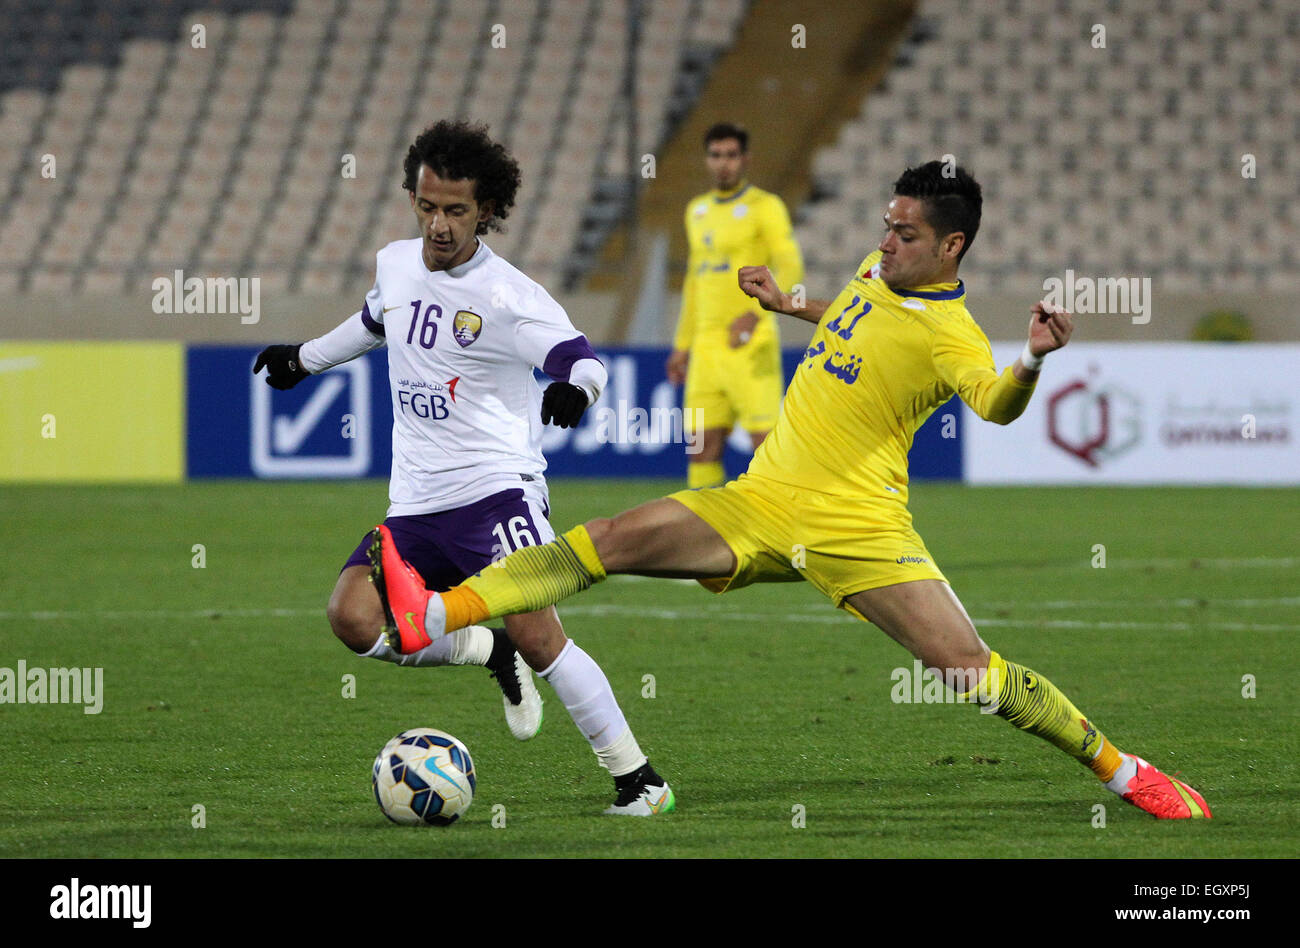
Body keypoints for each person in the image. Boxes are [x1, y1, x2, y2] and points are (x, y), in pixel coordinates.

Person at [370, 159, 1211, 821]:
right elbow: (852, 306)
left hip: (858, 529)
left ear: (952, 248)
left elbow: (993, 405)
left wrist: (1029, 358)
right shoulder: (876, 273)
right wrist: (786, 303)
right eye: (885, 226)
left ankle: (1124, 771)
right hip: (761, 499)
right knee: (610, 538)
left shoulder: (952, 335)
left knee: (969, 674)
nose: (886, 243)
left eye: (906, 234)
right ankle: (439, 615)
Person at [253, 120, 672, 816]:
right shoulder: (395, 263)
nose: (438, 225)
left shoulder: (509, 297)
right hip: (414, 505)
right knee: (353, 619)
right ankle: (486, 651)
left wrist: (577, 389)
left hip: (495, 493)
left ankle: (640, 780)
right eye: (427, 206)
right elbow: (374, 321)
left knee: (541, 634)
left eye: (454, 210)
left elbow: (583, 358)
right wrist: (303, 360)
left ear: (487, 211)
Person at [665, 122, 803, 487]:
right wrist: (682, 345)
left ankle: (778, 534)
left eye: (730, 155)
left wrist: (756, 314)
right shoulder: (696, 211)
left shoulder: (765, 206)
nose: (723, 163)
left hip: (750, 343)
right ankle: (706, 536)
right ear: (707, 160)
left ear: (745, 160)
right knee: (701, 448)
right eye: (715, 155)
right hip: (706, 348)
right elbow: (695, 280)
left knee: (766, 448)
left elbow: (790, 263)